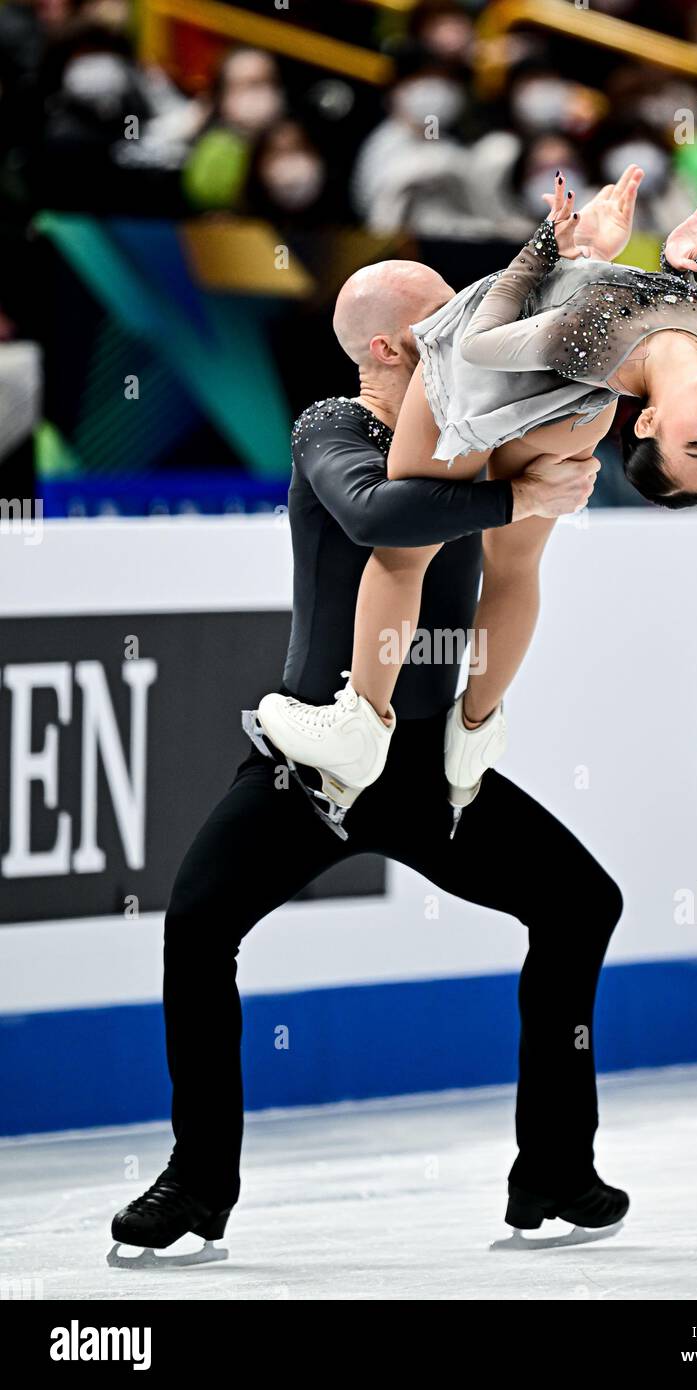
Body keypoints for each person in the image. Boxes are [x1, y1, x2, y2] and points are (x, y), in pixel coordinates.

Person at [108, 258, 627, 1265]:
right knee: (198, 926)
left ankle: (553, 1168)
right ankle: (197, 1180)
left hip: (434, 775)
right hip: (318, 766)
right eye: (443, 319)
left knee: (578, 902)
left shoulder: (476, 441)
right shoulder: (329, 429)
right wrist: (513, 493)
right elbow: (377, 515)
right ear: (389, 349)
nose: (467, 332)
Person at [257, 173, 697, 832]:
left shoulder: (600, 342)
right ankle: (473, 737)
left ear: (647, 423)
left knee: (404, 558)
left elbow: (477, 344)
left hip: (477, 394)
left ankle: (361, 726)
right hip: (575, 417)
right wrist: (673, 261)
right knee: (516, 567)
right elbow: (655, 326)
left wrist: (545, 245)